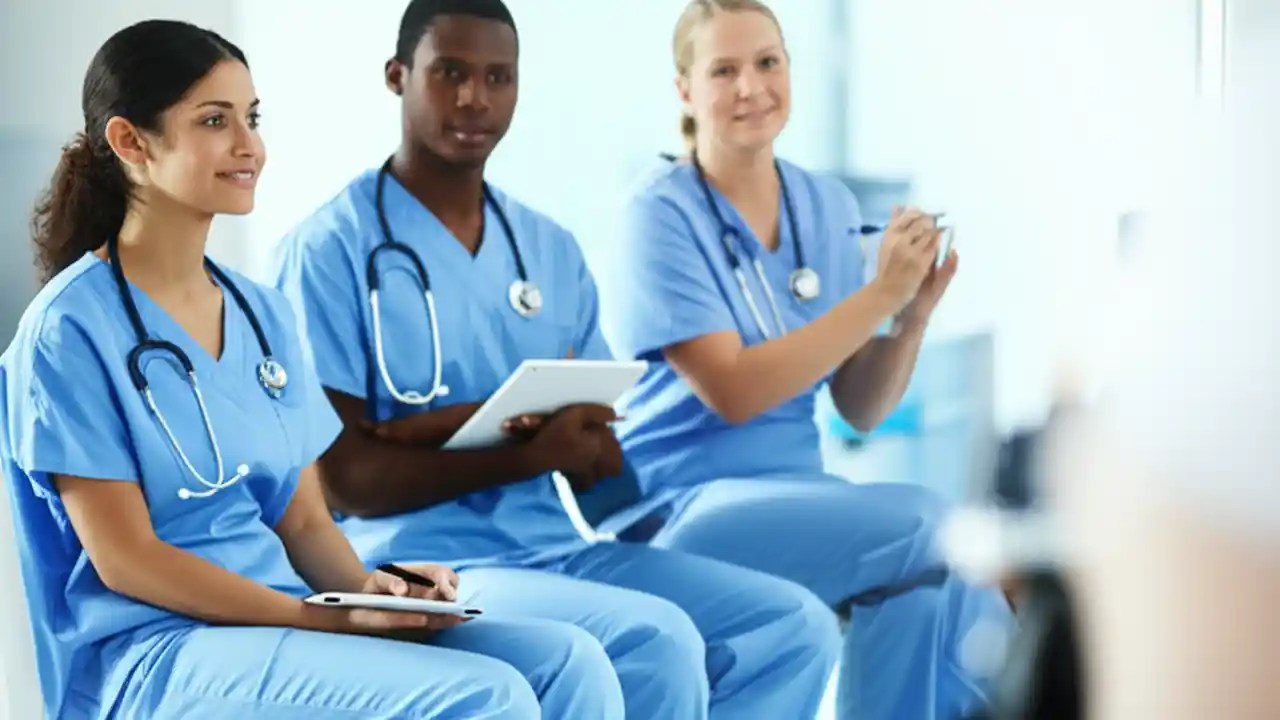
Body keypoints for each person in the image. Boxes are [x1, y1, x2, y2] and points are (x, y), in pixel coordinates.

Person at [0, 20, 627, 719]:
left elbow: (303, 525)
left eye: (252, 117)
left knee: (571, 666)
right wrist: (317, 617)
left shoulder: (263, 312)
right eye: (215, 120)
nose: (250, 147)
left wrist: (372, 587)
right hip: (157, 650)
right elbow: (129, 560)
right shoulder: (68, 331)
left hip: (283, 620)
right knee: (488, 697)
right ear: (130, 142)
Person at [271, 1, 839, 717]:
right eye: (450, 73)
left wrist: (611, 470)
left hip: (556, 546)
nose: (475, 97)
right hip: (424, 563)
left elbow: (600, 467)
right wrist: (533, 451)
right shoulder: (329, 249)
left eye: (497, 77)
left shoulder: (549, 250)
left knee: (791, 625)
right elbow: (347, 482)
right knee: (655, 639)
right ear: (398, 77)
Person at [597, 2, 1014, 719]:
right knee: (935, 528)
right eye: (723, 70)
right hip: (681, 511)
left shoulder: (824, 204)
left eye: (768, 62)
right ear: (685, 91)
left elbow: (859, 405)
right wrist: (880, 289)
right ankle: (1050, 694)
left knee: (922, 597)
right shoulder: (658, 215)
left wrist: (910, 316)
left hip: (799, 495)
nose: (751, 87)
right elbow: (733, 390)